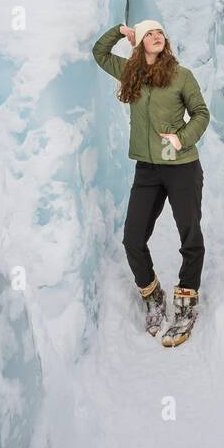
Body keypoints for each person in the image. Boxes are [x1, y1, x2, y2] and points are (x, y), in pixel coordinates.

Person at [91, 19, 210, 346]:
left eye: (160, 33)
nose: (157, 36)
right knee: (133, 238)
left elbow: (201, 113)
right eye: (149, 34)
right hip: (147, 169)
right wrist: (120, 31)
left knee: (190, 235)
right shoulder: (131, 74)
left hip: (180, 166)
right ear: (140, 43)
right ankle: (153, 296)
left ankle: (186, 305)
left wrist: (181, 139)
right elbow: (99, 54)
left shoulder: (181, 75)